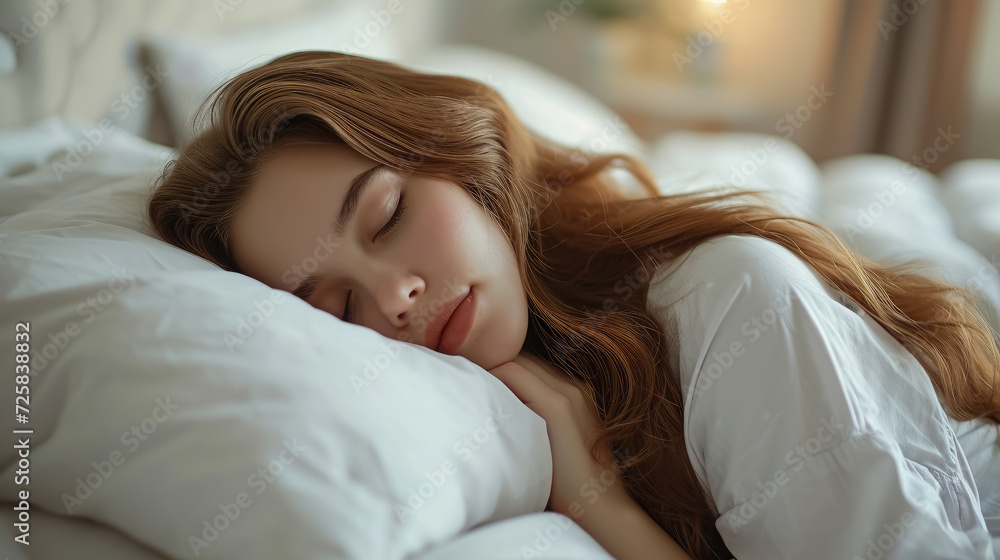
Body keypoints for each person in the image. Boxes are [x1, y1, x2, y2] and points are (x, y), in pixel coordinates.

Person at [145, 51, 1000, 559]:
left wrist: (604, 510)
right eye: (333, 307)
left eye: (388, 215)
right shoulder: (563, 354)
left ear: (460, 158)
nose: (393, 296)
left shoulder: (726, 294)